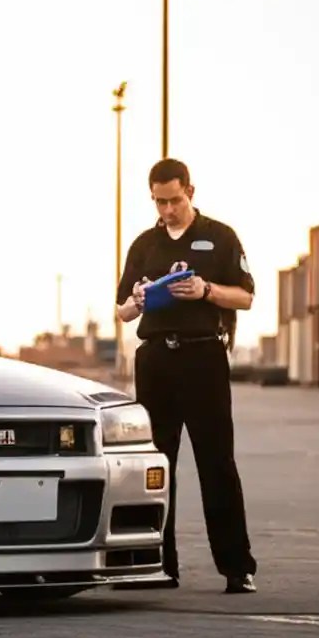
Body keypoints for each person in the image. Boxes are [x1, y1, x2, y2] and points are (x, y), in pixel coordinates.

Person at [113, 158, 258, 594]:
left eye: (174, 200)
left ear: (190, 192)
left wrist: (206, 291)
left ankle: (237, 567)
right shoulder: (143, 245)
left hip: (203, 357)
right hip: (156, 359)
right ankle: (157, 564)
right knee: (157, 465)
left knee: (217, 463)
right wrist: (138, 300)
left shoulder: (220, 237)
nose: (168, 210)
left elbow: (246, 297)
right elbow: (120, 310)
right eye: (160, 202)